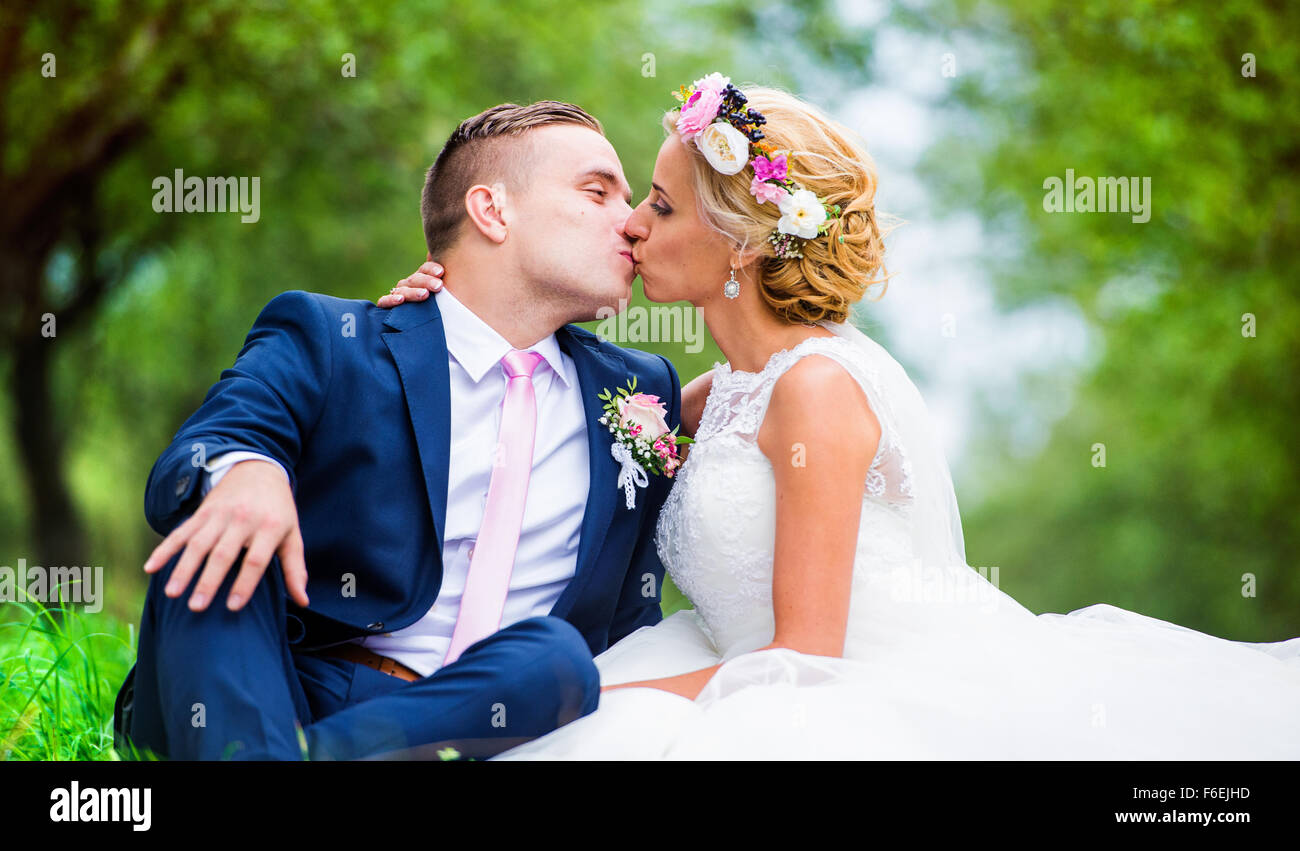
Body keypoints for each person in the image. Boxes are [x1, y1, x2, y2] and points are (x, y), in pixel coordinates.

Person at [382, 74, 1300, 759]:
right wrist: (447, 303)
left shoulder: (818, 388)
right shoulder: (718, 393)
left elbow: (803, 653)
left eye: (659, 206)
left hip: (829, 695)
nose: (631, 225)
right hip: (729, 661)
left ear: (738, 242)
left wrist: (603, 704)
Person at [114, 100, 689, 760]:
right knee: (221, 540)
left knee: (557, 657)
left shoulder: (643, 394)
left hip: (477, 719)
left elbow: (630, 619)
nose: (636, 220)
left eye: (636, 197)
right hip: (279, 684)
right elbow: (200, 451)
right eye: (599, 191)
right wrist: (248, 471)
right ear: (493, 211)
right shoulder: (332, 339)